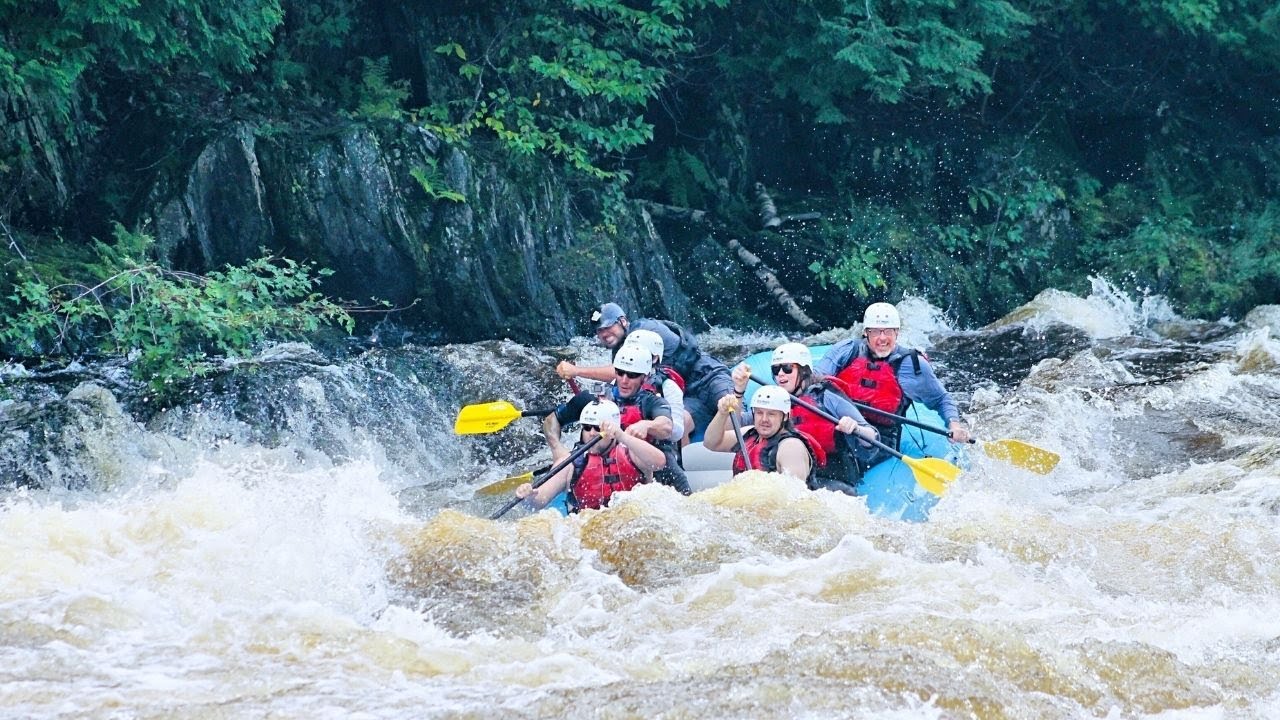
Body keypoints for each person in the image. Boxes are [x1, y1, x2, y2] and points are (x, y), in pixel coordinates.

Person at [556, 302, 736, 436]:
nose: (603, 334)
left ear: (623, 321)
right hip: (685, 392)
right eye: (599, 331)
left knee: (732, 412)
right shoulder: (621, 350)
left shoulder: (646, 332)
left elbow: (628, 370)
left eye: (607, 327)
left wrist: (577, 371)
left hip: (708, 375)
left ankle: (752, 421)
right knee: (682, 423)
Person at [814, 302, 971, 453]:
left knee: (842, 453)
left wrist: (954, 426)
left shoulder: (912, 365)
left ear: (897, 333)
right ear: (865, 332)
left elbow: (940, 399)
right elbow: (815, 380)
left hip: (879, 440)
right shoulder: (846, 350)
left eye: (888, 331)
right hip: (837, 423)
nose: (882, 338)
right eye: (875, 331)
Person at [729, 342, 880, 495]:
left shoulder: (826, 397)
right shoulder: (774, 400)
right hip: (786, 475)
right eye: (776, 369)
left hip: (830, 478)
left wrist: (855, 428)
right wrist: (739, 391)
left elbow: (872, 437)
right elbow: (735, 425)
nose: (780, 374)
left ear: (804, 370)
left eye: (787, 368)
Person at [545, 343, 692, 494]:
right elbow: (552, 420)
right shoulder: (595, 397)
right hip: (603, 466)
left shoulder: (651, 401)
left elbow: (666, 426)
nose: (624, 380)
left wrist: (647, 425)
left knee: (671, 471)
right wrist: (557, 448)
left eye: (632, 375)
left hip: (650, 466)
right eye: (620, 373)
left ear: (645, 377)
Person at [516, 399, 666, 511]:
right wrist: (529, 496)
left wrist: (622, 436)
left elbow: (659, 463)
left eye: (597, 428)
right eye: (587, 428)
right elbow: (540, 500)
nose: (592, 433)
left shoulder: (632, 452)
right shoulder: (571, 463)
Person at [702, 386, 824, 485]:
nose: (764, 419)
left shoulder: (791, 447)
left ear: (785, 416)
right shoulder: (751, 433)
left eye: (771, 414)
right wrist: (722, 413)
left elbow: (793, 497)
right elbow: (711, 443)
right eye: (760, 413)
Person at [621, 328, 694, 445]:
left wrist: (649, 425)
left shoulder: (668, 386)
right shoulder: (618, 381)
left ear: (654, 358)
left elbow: (677, 432)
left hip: (657, 447)